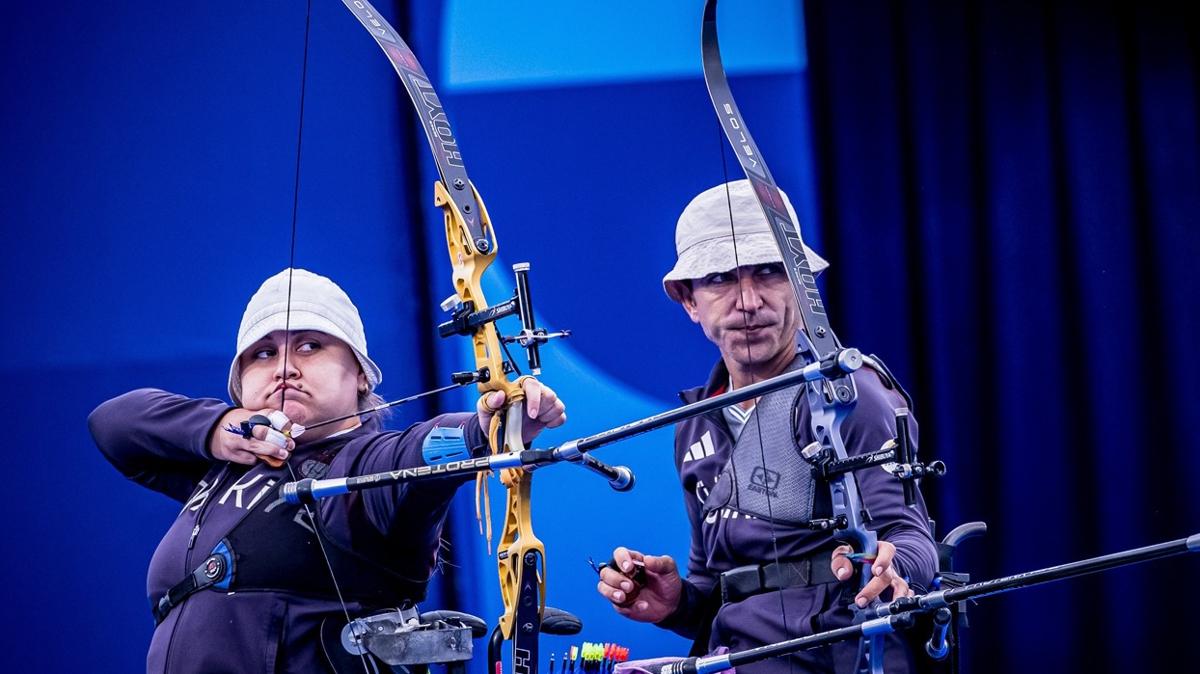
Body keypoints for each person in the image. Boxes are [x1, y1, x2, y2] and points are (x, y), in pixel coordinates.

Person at [90, 268, 566, 673]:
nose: (283, 368)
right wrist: (218, 427)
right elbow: (113, 423)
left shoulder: (365, 462)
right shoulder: (219, 467)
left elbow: (422, 450)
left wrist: (486, 428)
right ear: (239, 383)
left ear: (359, 373)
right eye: (263, 353)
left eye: (310, 346)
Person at [596, 181, 938, 673]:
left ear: (802, 286)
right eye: (720, 279)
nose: (748, 301)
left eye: (769, 273)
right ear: (689, 301)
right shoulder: (694, 424)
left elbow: (911, 538)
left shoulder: (846, 391)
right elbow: (720, 587)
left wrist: (893, 564)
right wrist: (676, 604)